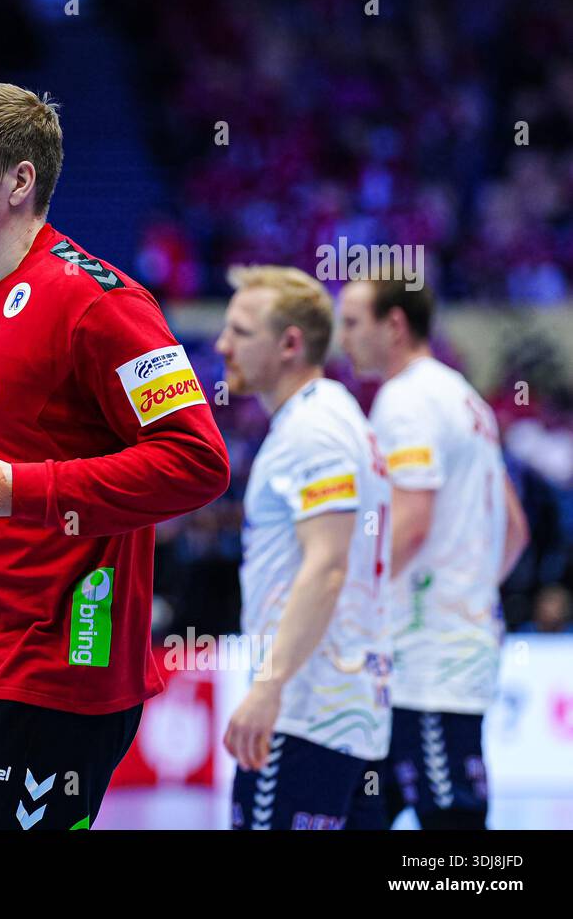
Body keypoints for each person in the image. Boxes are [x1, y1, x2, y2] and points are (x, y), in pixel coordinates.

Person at [0, 83, 230, 830]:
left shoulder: (101, 304)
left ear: (20, 180)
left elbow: (198, 461)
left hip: (60, 662)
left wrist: (24, 491)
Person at [338, 275, 529, 829]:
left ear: (394, 325)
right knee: (367, 809)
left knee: (454, 834)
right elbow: (513, 528)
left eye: (353, 323)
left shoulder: (407, 401)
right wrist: (468, 595)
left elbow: (413, 523)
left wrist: (347, 606)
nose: (342, 339)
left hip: (423, 662)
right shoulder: (463, 396)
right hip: (451, 645)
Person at [215, 265, 392, 830]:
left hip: (304, 715)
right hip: (339, 711)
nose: (222, 345)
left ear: (290, 343)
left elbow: (328, 567)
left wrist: (268, 689)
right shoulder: (334, 418)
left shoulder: (313, 431)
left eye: (241, 332)